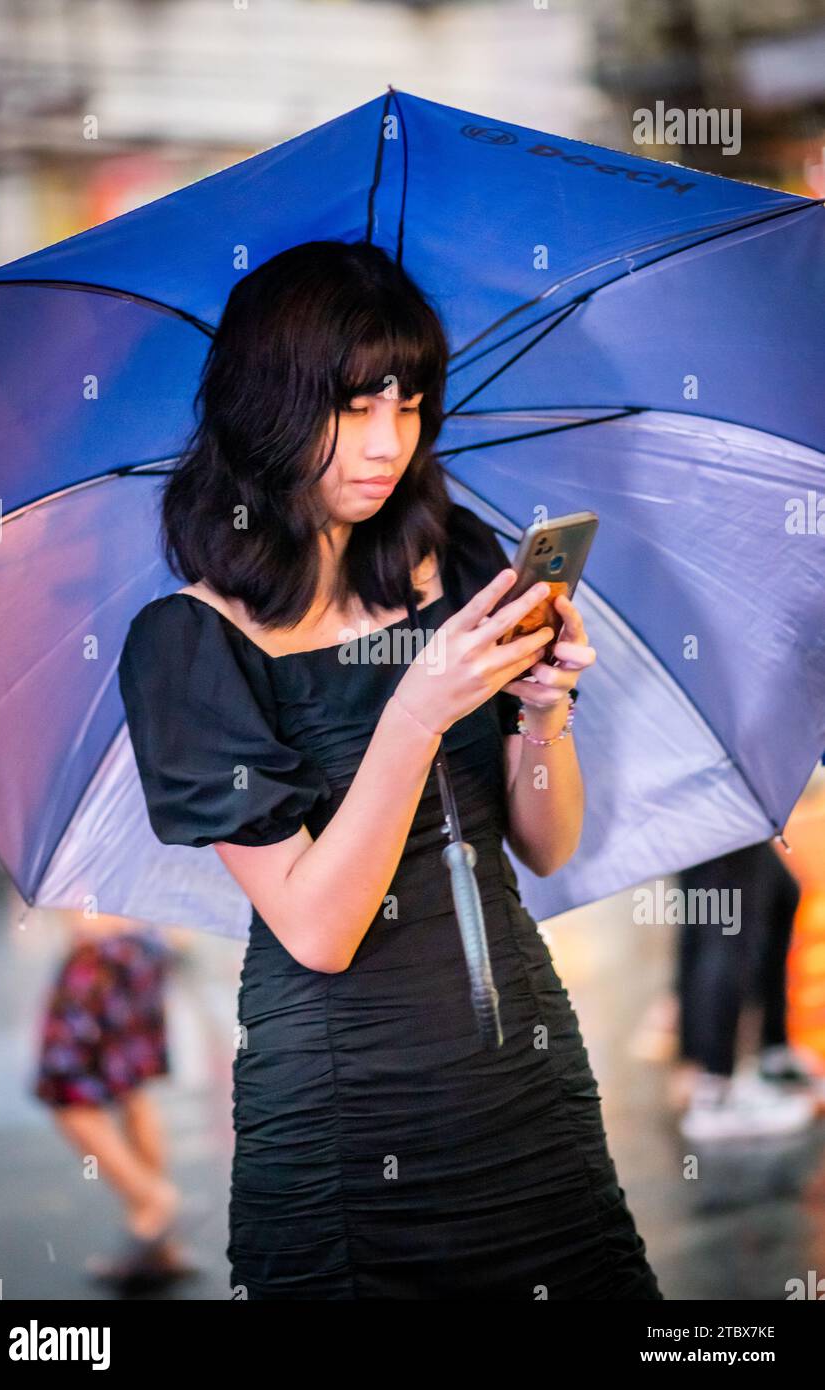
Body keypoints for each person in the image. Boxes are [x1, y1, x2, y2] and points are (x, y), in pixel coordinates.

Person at [117, 238, 662, 1299]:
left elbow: (545, 845)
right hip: (343, 1119)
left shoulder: (459, 561)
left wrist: (539, 716)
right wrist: (414, 713)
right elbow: (318, 930)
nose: (386, 442)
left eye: (408, 404)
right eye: (353, 406)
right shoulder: (188, 645)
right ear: (270, 405)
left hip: (524, 1081)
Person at [32, 908, 194, 1291]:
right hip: (145, 947)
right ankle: (159, 1242)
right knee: (130, 1090)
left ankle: (154, 1202)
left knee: (68, 1097)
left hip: (99, 955)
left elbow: (82, 904)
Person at [676, 839, 822, 1143]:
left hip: (712, 810)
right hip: (714, 810)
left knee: (781, 892)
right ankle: (715, 1091)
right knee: (727, 922)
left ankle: (772, 1055)